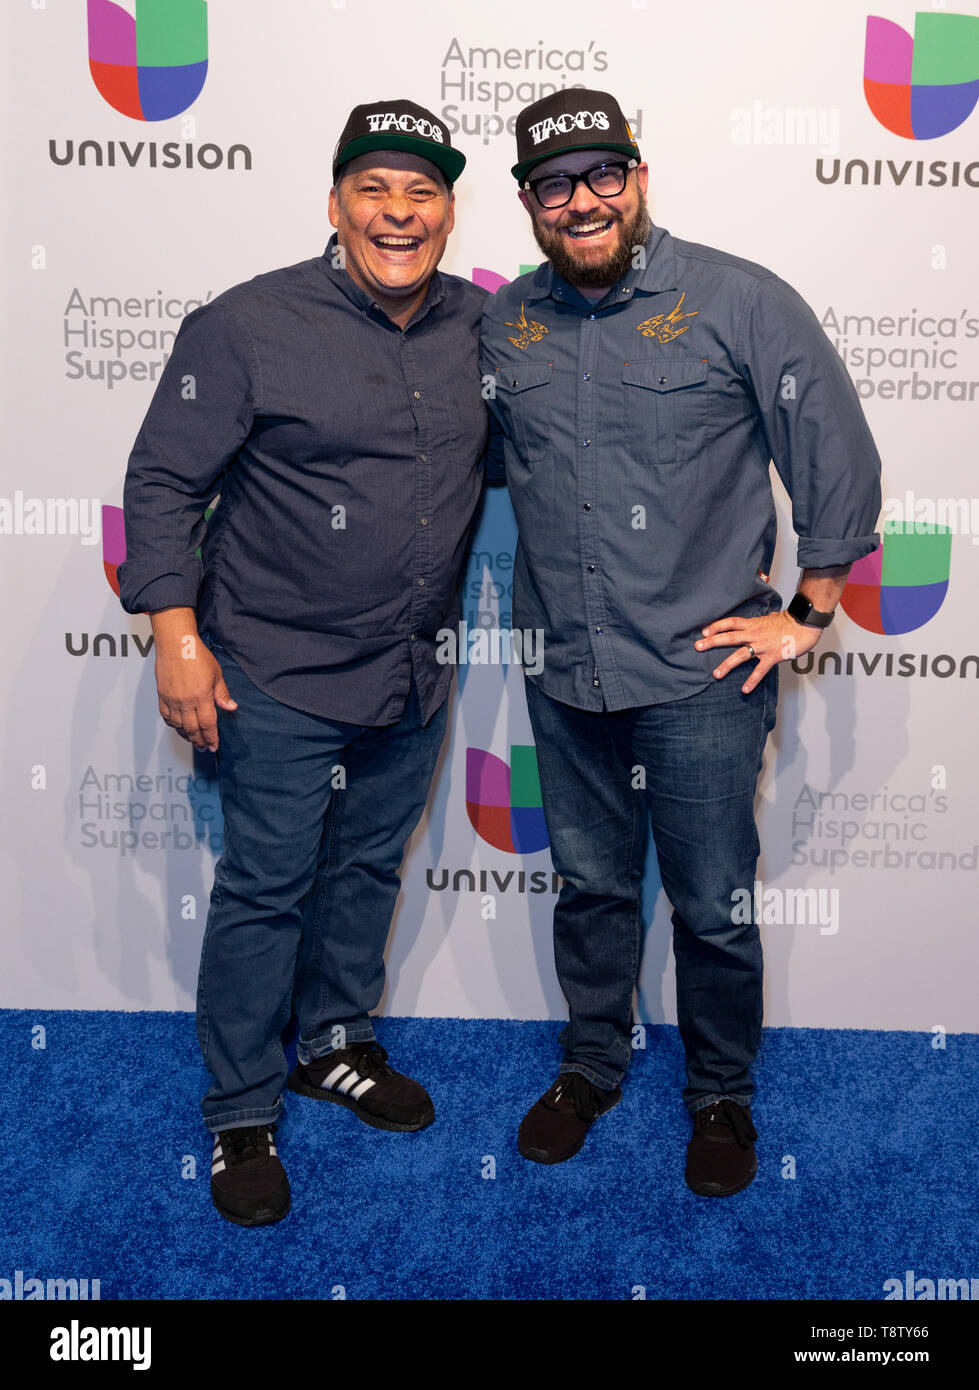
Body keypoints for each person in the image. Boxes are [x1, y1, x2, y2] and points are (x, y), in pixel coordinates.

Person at [480, 90, 882, 1196]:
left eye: (603, 174)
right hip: (565, 666)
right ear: (528, 203)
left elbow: (835, 453)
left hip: (703, 672)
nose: (583, 201)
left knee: (711, 902)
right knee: (592, 886)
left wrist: (803, 611)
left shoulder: (739, 299)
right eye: (555, 185)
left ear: (640, 176)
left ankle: (719, 1095)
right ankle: (591, 1066)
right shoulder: (504, 322)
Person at [119, 100, 488, 1226]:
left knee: (365, 874)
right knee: (265, 891)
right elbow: (163, 484)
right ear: (334, 204)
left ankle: (334, 1044)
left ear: (446, 214)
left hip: (410, 675)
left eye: (421, 192)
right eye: (375, 188)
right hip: (273, 673)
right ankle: (239, 1112)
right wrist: (175, 636)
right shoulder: (244, 324)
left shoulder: (484, 325)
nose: (398, 212)